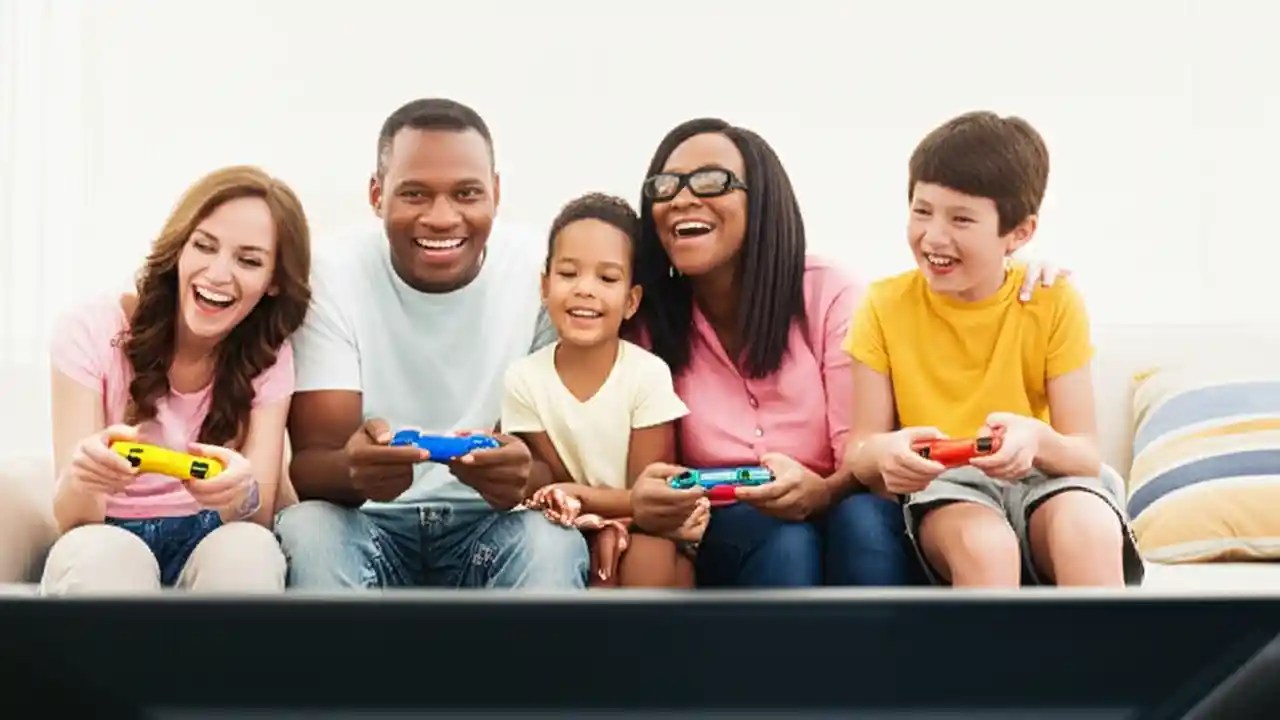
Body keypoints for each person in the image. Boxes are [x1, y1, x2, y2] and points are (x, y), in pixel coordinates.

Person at [624, 117, 1071, 587]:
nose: (681, 198)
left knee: (863, 520)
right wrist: (652, 497)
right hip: (731, 530)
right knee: (786, 541)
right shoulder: (645, 322)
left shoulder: (828, 294)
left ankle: (877, 662)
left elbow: (859, 454)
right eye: (665, 185)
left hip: (844, 505)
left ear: (762, 202)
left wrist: (819, 493)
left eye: (711, 181)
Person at [275, 98, 589, 590]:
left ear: (497, 193)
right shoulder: (333, 273)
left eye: (467, 193)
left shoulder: (541, 275)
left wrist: (518, 476)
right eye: (415, 194)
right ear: (377, 195)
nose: (442, 218)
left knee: (552, 542)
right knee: (309, 527)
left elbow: (551, 464)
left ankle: (536, 671)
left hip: (492, 525)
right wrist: (356, 472)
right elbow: (313, 462)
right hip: (369, 523)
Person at [842, 111, 1144, 587]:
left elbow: (1085, 455)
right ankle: (994, 664)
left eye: (961, 218)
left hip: (1047, 478)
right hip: (949, 488)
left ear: (1020, 233)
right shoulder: (883, 304)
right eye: (922, 210)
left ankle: (1103, 663)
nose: (934, 236)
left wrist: (1036, 440)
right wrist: (886, 453)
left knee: (1087, 528)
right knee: (985, 547)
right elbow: (858, 448)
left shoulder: (1051, 299)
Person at [40, 165, 311, 594]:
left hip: (211, 531)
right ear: (179, 249)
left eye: (248, 260)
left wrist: (242, 492)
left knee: (249, 553)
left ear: (274, 281)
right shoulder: (88, 329)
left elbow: (256, 515)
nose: (218, 274)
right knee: (103, 562)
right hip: (106, 529)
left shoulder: (270, 351)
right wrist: (84, 477)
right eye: (204, 246)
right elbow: (72, 518)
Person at [501, 192, 704, 587]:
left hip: (649, 531)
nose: (585, 289)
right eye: (568, 273)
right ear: (545, 285)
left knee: (653, 555)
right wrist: (598, 522)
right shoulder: (523, 380)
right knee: (577, 556)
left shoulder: (647, 374)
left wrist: (607, 512)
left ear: (630, 301)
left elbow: (652, 495)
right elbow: (550, 492)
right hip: (568, 526)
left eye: (607, 278)